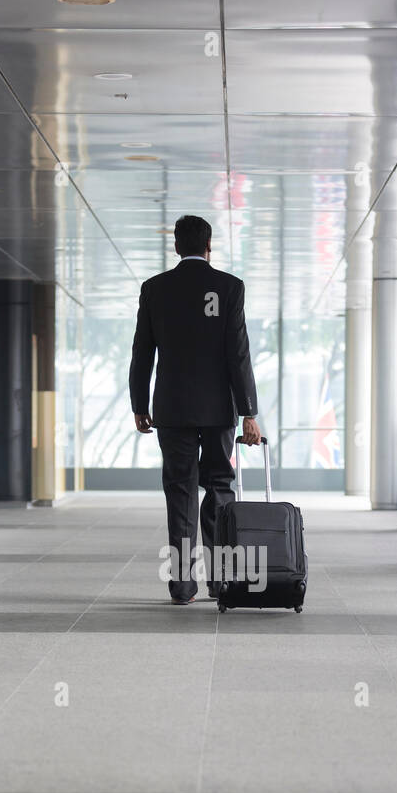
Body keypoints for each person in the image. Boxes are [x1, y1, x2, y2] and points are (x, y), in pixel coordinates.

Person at [128, 214, 262, 604]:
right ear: (209, 247)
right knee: (220, 488)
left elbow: (142, 353)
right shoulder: (229, 287)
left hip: (171, 409)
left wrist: (140, 404)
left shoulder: (154, 288)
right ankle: (221, 582)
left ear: (175, 246)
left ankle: (182, 585)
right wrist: (248, 411)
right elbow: (238, 355)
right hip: (219, 409)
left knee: (180, 491)